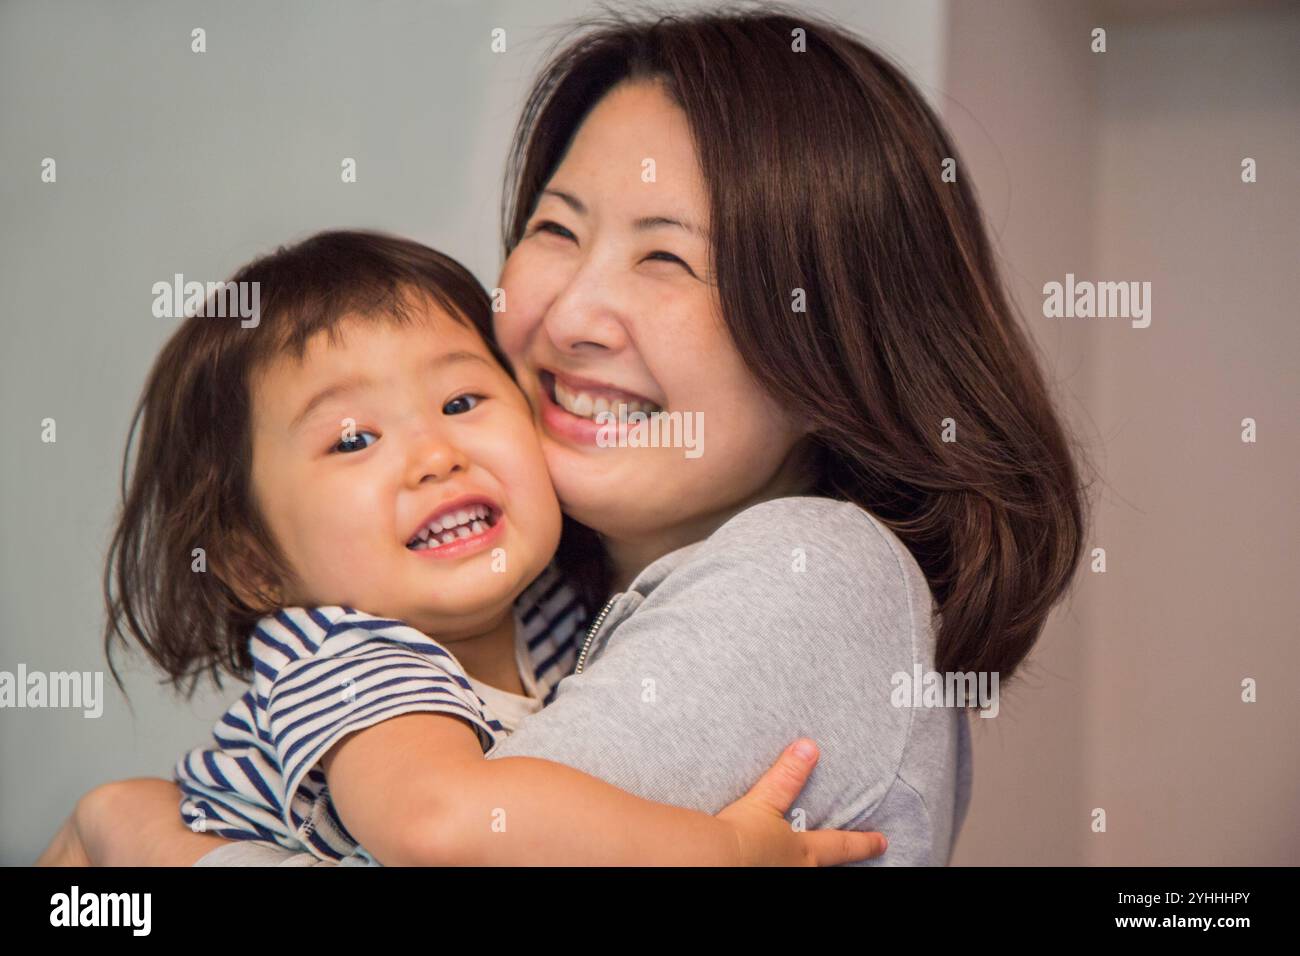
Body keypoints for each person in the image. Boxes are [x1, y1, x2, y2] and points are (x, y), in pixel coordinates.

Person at [42, 4, 1088, 867]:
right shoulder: (516, 622)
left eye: (667, 259)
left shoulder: (810, 571)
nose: (572, 311)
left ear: (839, 347)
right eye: (555, 229)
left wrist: (139, 832)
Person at [36, 230, 885, 867]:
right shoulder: (341, 650)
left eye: (461, 401)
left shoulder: (557, 610)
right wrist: (723, 852)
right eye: (354, 438)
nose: (435, 456)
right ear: (256, 562)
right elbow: (438, 824)